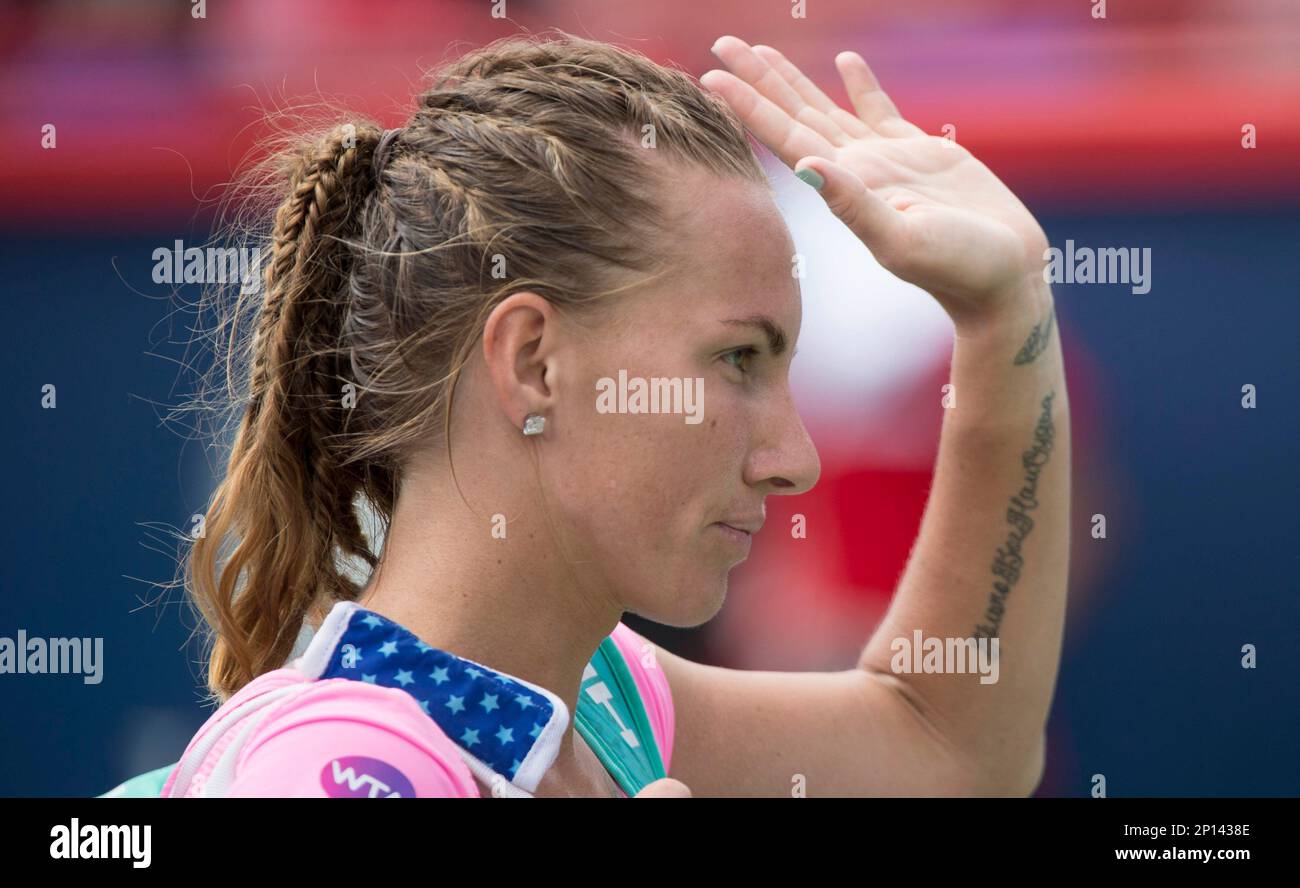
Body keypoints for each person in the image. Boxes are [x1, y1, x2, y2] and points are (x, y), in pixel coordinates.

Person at [162, 29, 1070, 797]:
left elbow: (949, 744)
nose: (795, 459)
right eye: (736, 360)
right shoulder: (343, 767)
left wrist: (1007, 310)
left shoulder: (602, 694)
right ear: (533, 363)